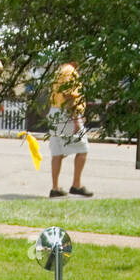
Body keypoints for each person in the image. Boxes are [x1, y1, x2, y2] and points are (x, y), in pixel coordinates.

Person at [46, 62, 92, 198]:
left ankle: (55, 187)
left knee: (57, 152)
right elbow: (69, 94)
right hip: (65, 112)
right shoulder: (69, 70)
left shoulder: (59, 71)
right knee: (83, 149)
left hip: (54, 111)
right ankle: (76, 184)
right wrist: (76, 118)